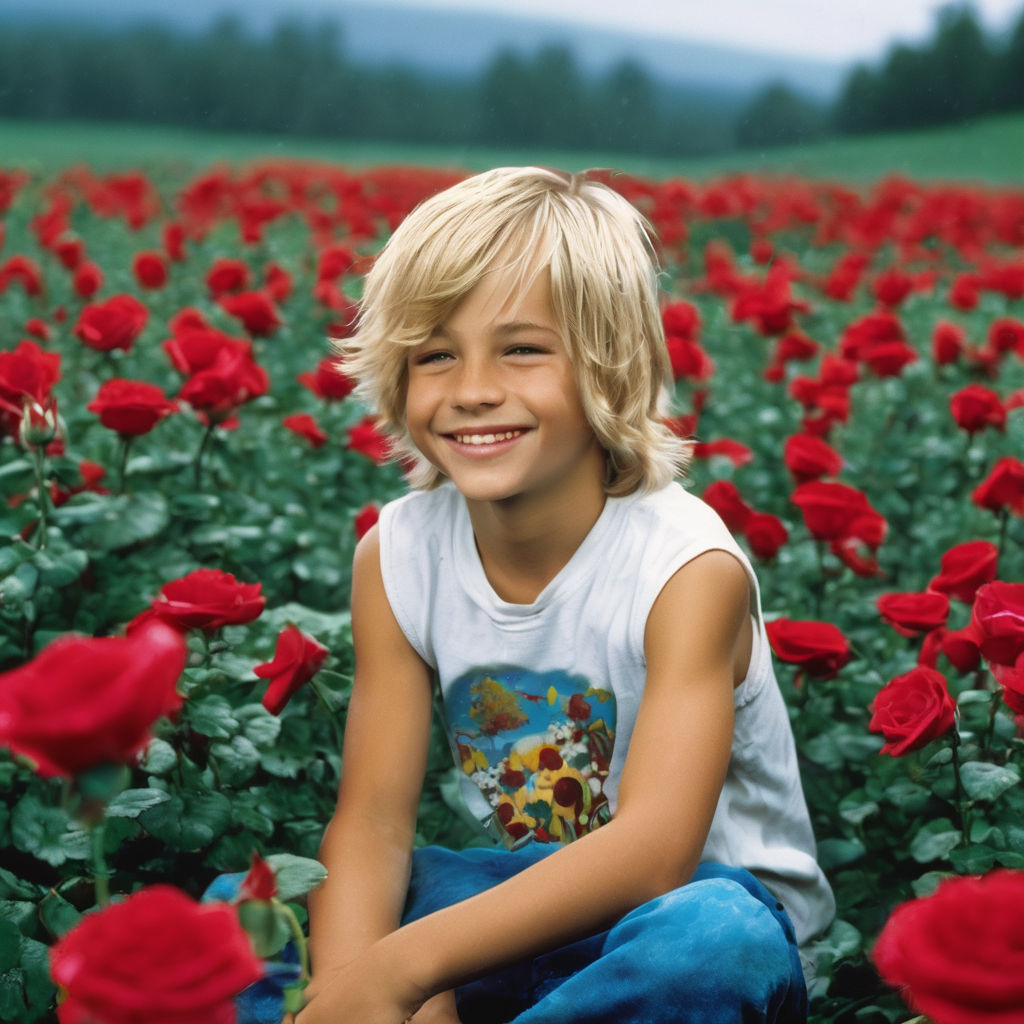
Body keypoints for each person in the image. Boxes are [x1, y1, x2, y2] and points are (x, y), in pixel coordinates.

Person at [296, 167, 835, 1024]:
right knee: (260, 912)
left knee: (712, 942)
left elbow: (656, 854)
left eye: (521, 349)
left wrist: (401, 971)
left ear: (610, 370)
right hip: (522, 908)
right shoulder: (396, 555)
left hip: (692, 921)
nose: (472, 389)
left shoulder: (686, 566)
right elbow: (372, 825)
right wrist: (358, 988)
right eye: (435, 354)